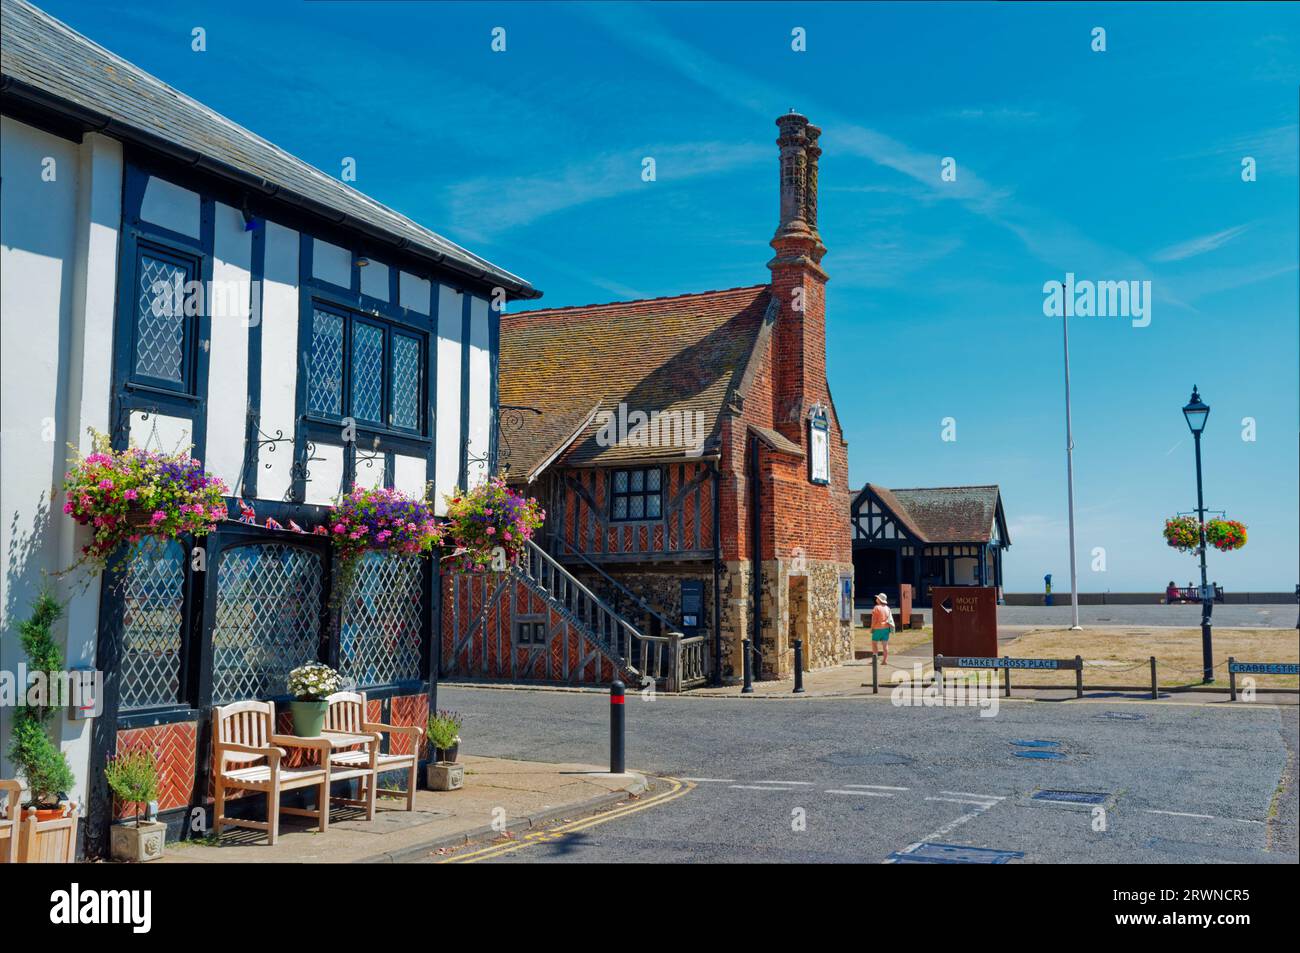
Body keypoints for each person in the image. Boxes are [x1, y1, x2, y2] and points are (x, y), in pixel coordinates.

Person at [869, 592, 895, 663]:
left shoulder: (876, 608)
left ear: (879, 600)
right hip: (886, 628)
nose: (876, 599)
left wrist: (872, 628)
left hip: (877, 628)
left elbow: (874, 620)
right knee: (885, 644)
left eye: (877, 598)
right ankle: (885, 660)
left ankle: (875, 660)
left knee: (874, 643)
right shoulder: (887, 608)